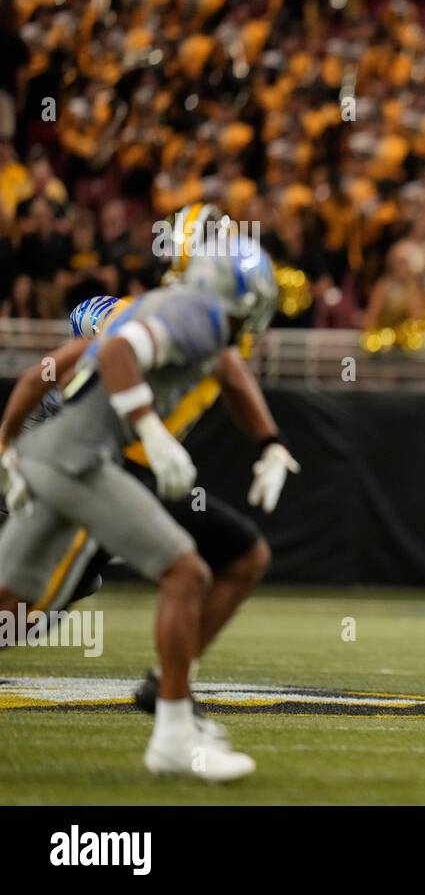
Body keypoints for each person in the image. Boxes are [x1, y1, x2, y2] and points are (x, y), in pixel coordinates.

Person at [0, 236, 282, 781]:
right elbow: (106, 353)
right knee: (184, 572)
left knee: (12, 606)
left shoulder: (186, 320)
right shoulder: (190, 316)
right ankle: (173, 733)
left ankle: (172, 717)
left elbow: (48, 369)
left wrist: (272, 441)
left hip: (72, 457)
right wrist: (152, 432)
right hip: (82, 462)